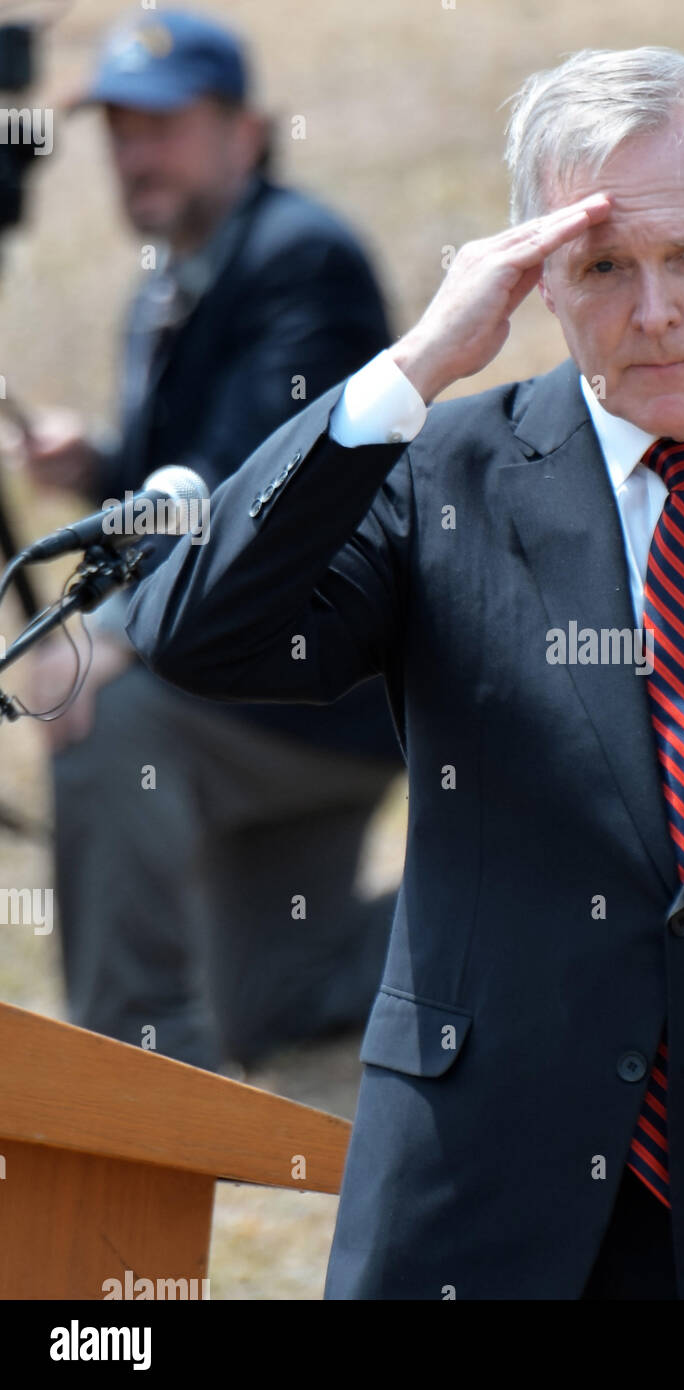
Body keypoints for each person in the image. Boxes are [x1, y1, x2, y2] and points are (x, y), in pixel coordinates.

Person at [125, 46, 684, 1297]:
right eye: (604, 267)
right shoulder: (434, 479)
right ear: (533, 280)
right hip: (476, 1219)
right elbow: (196, 631)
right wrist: (411, 371)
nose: (655, 311)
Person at [21, 10, 405, 1072]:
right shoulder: (167, 285)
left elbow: (259, 489)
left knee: (101, 718)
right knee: (275, 1005)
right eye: (120, 130)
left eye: (165, 125)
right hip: (251, 688)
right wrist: (100, 464)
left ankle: (127, 1081)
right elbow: (191, 471)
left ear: (246, 132)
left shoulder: (302, 255)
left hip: (312, 689)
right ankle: (526, 912)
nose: (135, 153)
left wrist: (111, 638)